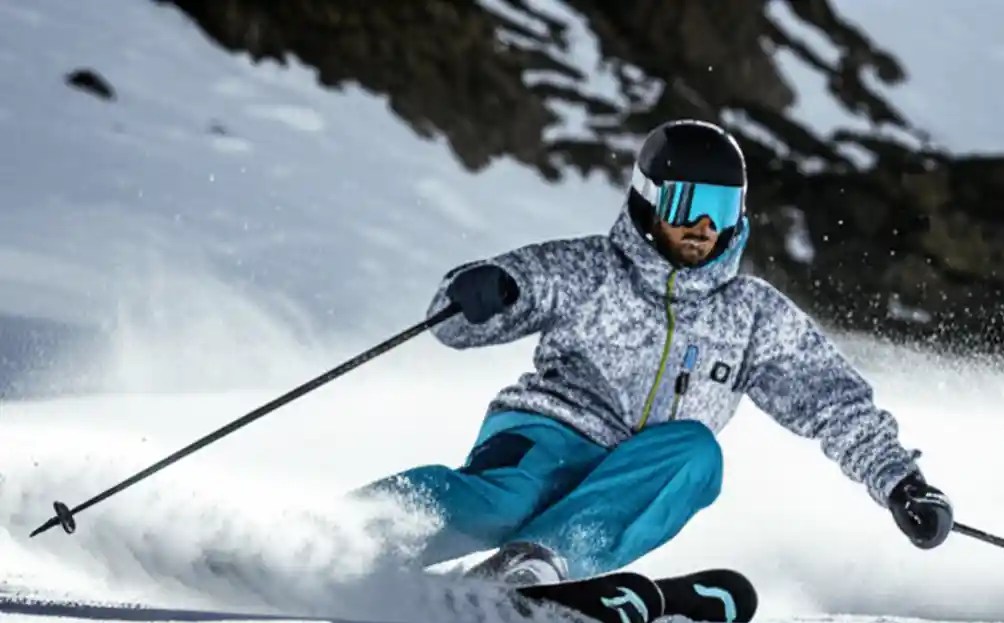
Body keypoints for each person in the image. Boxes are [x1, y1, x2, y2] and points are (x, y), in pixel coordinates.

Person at [357, 119, 953, 586]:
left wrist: (902, 484)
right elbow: (466, 317)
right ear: (648, 204)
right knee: (501, 501)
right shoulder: (591, 269)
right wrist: (483, 290)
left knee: (697, 453)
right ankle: (351, 534)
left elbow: (833, 402)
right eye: (684, 205)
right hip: (547, 434)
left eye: (719, 210)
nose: (700, 226)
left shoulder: (752, 315)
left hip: (638, 472)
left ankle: (537, 566)